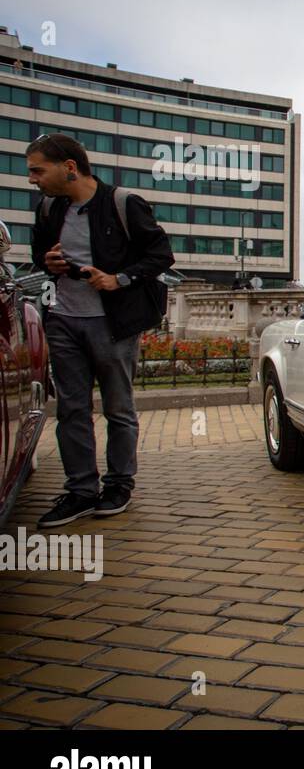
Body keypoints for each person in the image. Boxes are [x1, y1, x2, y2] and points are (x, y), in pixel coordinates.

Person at [28, 133, 174, 528]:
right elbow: (37, 255)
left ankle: (119, 485)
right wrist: (50, 262)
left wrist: (120, 279)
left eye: (38, 170)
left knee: (118, 408)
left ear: (69, 168)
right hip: (63, 319)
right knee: (71, 409)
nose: (32, 179)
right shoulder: (47, 209)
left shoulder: (122, 203)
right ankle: (80, 492)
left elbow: (161, 255)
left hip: (114, 324)